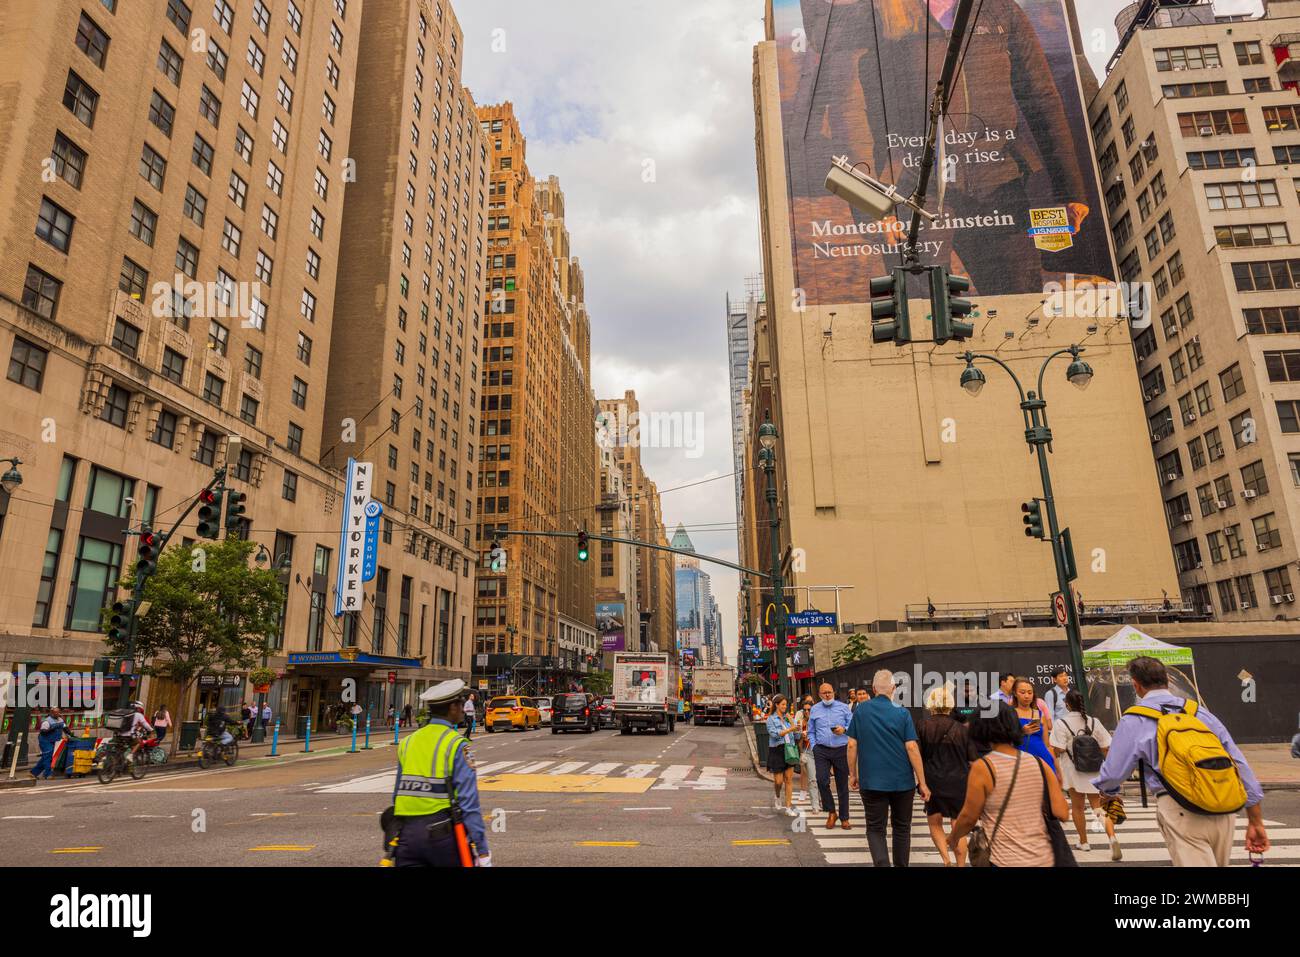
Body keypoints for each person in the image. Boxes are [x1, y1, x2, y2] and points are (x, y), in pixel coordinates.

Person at [1093, 656, 1268, 867]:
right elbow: (1239, 763)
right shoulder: (1200, 712)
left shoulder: (1134, 719)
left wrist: (1108, 793)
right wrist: (1255, 820)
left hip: (1179, 806)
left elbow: (1113, 773)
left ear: (1136, 685)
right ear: (1167, 679)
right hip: (1222, 805)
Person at [949, 703, 1070, 867]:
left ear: (980, 728)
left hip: (1005, 858)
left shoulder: (983, 768)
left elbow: (969, 817)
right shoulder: (1040, 764)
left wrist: (954, 838)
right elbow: (1062, 812)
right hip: (1044, 858)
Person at [388, 679, 490, 867]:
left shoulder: (408, 742)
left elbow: (397, 794)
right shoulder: (456, 744)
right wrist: (482, 850)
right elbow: (469, 803)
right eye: (460, 703)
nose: (462, 708)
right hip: (442, 837)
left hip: (406, 837)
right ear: (452, 708)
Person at [847, 670, 929, 867]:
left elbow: (851, 745)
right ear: (893, 689)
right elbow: (911, 747)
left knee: (876, 828)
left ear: (873, 689)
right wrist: (922, 782)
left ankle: (882, 864)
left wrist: (853, 774)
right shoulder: (902, 713)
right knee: (902, 828)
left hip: (872, 781)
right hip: (902, 782)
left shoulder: (861, 711)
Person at [1050, 690, 1120, 861]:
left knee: (1078, 807)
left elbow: (1057, 749)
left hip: (1073, 771)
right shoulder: (1094, 722)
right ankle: (1112, 838)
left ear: (1066, 704)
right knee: (1098, 808)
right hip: (1094, 770)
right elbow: (1106, 747)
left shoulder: (1061, 723)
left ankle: (1084, 842)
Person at [917, 685, 979, 866]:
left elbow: (917, 755)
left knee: (935, 822)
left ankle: (946, 860)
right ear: (950, 704)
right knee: (957, 825)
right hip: (959, 781)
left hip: (933, 780)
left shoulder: (922, 726)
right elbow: (973, 760)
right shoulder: (962, 729)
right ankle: (960, 864)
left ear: (930, 704)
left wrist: (921, 782)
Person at [807, 682, 853, 830]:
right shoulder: (814, 709)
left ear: (834, 692)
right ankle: (831, 812)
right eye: (824, 693)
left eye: (830, 692)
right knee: (821, 780)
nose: (827, 695)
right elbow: (811, 731)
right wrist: (814, 747)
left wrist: (844, 729)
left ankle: (844, 817)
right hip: (821, 749)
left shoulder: (843, 708)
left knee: (842, 785)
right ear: (819, 695)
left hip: (840, 749)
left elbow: (853, 726)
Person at [1012, 678, 1056, 775]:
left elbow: (1047, 745)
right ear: (1015, 693)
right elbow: (1004, 741)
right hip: (1021, 760)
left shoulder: (1039, 714)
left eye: (1029, 692)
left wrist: (1057, 767)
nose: (1026, 696)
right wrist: (1021, 732)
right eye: (1022, 692)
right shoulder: (1010, 713)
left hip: (1043, 758)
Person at [765, 695, 799, 817]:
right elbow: (774, 735)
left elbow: (797, 735)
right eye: (783, 704)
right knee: (778, 781)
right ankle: (777, 795)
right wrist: (790, 729)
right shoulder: (771, 719)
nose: (785, 707)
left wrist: (794, 725)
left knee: (788, 780)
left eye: (786, 704)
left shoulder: (788, 718)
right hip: (777, 750)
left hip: (789, 749)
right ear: (777, 705)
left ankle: (788, 807)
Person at [797, 696, 822, 814]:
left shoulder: (819, 720)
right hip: (809, 752)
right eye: (805, 710)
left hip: (821, 751)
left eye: (809, 709)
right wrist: (802, 737)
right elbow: (799, 744)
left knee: (822, 779)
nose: (807, 712)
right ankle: (815, 805)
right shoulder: (802, 723)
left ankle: (823, 801)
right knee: (812, 779)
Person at [31, 709, 66, 781]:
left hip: (54, 740)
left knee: (46, 757)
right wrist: (51, 729)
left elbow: (65, 728)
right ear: (51, 713)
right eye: (55, 712)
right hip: (45, 741)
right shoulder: (47, 721)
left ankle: (33, 773)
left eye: (58, 712)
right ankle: (47, 774)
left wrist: (70, 734)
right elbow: (43, 732)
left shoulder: (60, 720)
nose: (57, 714)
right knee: (48, 756)